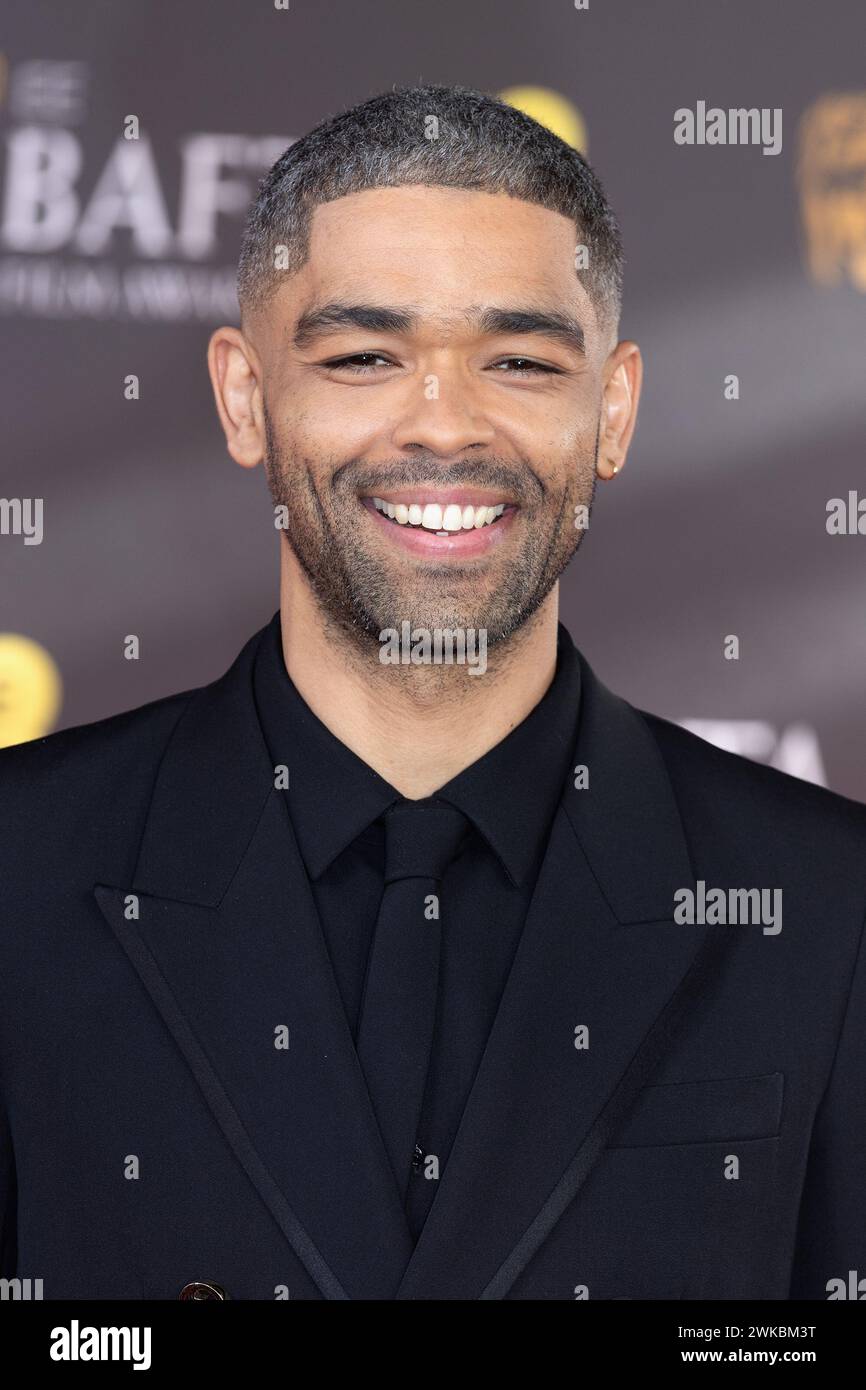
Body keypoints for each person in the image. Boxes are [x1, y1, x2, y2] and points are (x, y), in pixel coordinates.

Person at [1, 85, 864, 1302]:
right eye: (364, 356)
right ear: (245, 398)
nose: (445, 426)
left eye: (516, 359)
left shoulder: (827, 906)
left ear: (609, 411)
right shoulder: (18, 866)